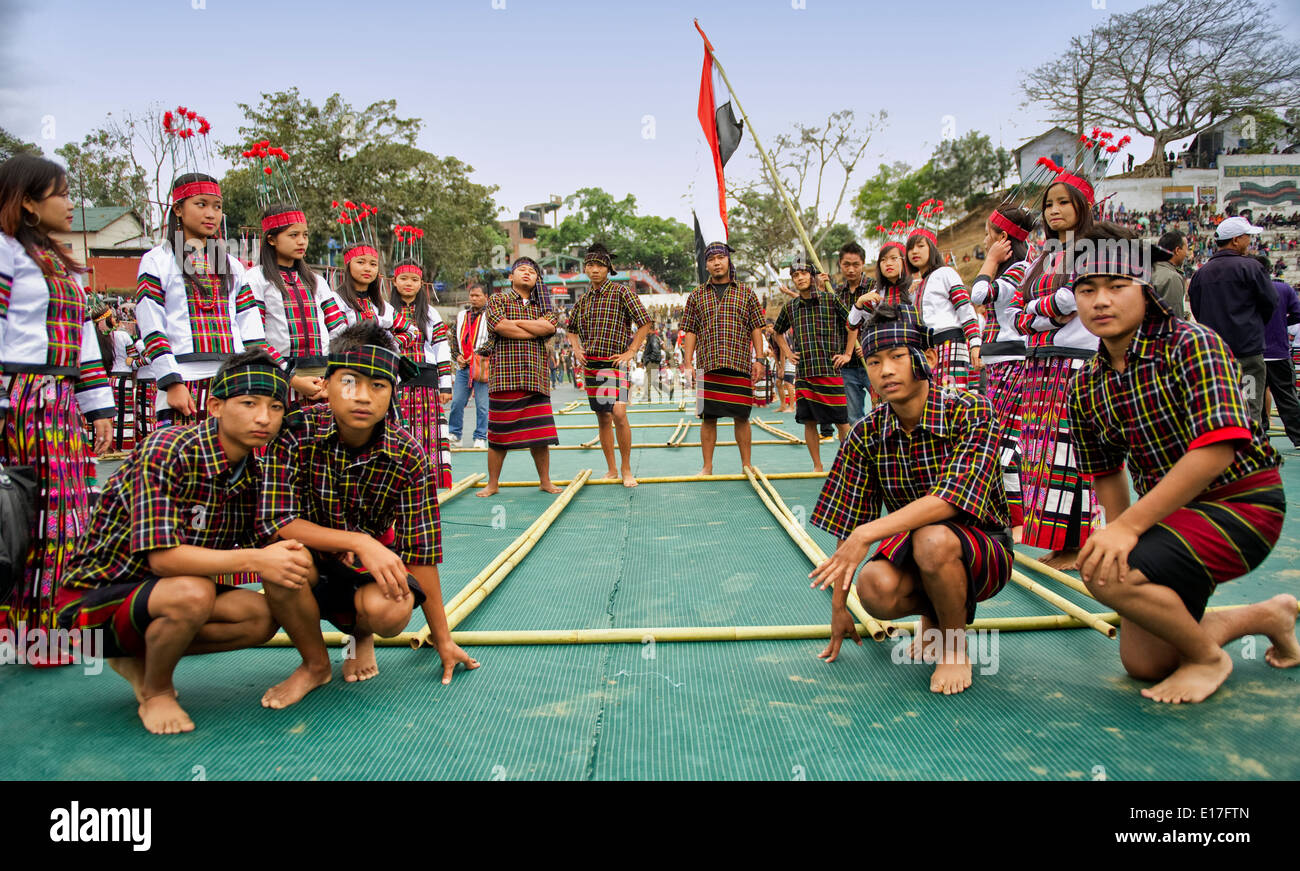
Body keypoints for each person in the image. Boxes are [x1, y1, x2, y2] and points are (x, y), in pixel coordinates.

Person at [1067, 240, 1297, 704]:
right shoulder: (1085, 383)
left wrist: (1129, 531)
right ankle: (1267, 615)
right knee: (1145, 663)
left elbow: (1216, 451)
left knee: (1106, 574)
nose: (1102, 300)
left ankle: (1209, 659)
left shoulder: (1193, 344)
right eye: (1087, 289)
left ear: (1146, 288)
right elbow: (1107, 472)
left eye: (1117, 286)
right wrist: (1117, 532)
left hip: (1242, 504)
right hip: (1170, 518)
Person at [55, 350, 307, 733]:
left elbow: (276, 533)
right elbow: (163, 561)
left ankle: (137, 655)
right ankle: (156, 691)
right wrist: (258, 559)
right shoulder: (168, 448)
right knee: (192, 593)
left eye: (275, 407)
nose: (264, 418)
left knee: (260, 617)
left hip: (164, 597)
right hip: (92, 601)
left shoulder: (257, 469)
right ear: (215, 406)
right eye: (249, 403)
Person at [256, 323, 479, 708]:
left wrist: (442, 639)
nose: (362, 396)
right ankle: (314, 664)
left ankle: (360, 634)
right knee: (281, 561)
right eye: (350, 381)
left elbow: (421, 553)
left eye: (378, 384)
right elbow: (278, 520)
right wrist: (357, 540)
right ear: (325, 384)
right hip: (308, 557)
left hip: (365, 568)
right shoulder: (294, 432)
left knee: (393, 608)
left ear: (393, 392)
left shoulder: (409, 456)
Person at [809, 305, 1012, 695]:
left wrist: (869, 533)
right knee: (873, 586)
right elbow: (847, 523)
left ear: (928, 358)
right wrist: (839, 609)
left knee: (933, 537)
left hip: (983, 552)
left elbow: (951, 499)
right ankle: (934, 616)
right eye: (873, 361)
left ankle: (954, 648)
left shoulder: (970, 411)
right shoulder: (867, 434)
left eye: (897, 357)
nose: (885, 370)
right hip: (917, 551)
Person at [0, 154, 115, 633]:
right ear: (27, 203)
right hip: (20, 397)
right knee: (26, 506)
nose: (71, 205)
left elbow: (84, 339)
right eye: (62, 194)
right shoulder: (5, 253)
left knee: (65, 508)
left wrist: (98, 407)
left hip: (59, 399)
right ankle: (22, 623)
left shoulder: (58, 262)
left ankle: (50, 619)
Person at [1010, 168, 1103, 569]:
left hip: (1076, 364)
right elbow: (1016, 313)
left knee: (1074, 450)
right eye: (1049, 204)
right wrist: (1037, 314)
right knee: (1042, 454)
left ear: (1083, 207)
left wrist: (1034, 313)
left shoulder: (1092, 250)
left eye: (1064, 202)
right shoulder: (1043, 256)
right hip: (1040, 364)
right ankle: (1063, 540)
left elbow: (1068, 303)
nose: (1055, 211)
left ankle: (1083, 542)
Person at [135, 173, 268, 428]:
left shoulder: (230, 264)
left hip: (231, 379)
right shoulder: (157, 260)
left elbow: (249, 325)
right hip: (182, 378)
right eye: (201, 204)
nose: (211, 214)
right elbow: (151, 324)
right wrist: (172, 382)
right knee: (182, 460)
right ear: (178, 209)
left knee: (232, 461)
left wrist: (256, 375)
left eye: (217, 207)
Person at [969, 206, 1035, 536]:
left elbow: (979, 294)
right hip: (1000, 359)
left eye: (988, 234)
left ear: (1003, 238)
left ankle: (1018, 520)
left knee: (1007, 438)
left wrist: (990, 261)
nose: (984, 240)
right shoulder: (1017, 269)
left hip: (1011, 359)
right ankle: (1012, 516)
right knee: (1002, 437)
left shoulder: (1020, 269)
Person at [566, 243, 650, 487]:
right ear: (585, 268)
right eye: (590, 265)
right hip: (592, 365)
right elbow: (571, 330)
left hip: (616, 363)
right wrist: (576, 347)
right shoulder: (583, 300)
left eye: (600, 265)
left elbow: (644, 322)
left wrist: (631, 351)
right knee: (603, 417)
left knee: (619, 414)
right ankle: (612, 469)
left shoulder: (622, 293)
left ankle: (626, 469)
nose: (594, 270)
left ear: (608, 268)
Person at [242, 203, 344, 405]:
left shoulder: (317, 281)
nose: (302, 241)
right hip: (278, 377)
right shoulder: (256, 278)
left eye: (305, 235)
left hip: (323, 378)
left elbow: (339, 329)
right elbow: (253, 338)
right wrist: (292, 379)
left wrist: (332, 375)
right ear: (271, 239)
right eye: (293, 235)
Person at [679, 241, 765, 475]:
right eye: (711, 259)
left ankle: (746, 465)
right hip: (708, 364)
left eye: (721, 258)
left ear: (729, 260)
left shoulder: (746, 292)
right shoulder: (696, 295)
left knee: (742, 417)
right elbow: (690, 330)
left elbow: (756, 327)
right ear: (706, 264)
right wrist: (688, 364)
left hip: (739, 363)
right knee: (708, 418)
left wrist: (759, 359)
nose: (716, 263)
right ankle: (707, 466)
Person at [478, 257, 561, 496]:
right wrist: (533, 330)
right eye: (521, 270)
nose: (527, 273)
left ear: (537, 279)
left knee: (540, 434)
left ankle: (545, 481)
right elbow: (499, 326)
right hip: (505, 375)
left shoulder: (544, 306)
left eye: (532, 271)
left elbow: (550, 327)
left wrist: (516, 323)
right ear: (511, 277)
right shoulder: (498, 299)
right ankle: (493, 484)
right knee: (498, 435)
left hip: (536, 377)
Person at [1188, 215, 1278, 423]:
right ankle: (1250, 450)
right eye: (1247, 236)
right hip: (1247, 350)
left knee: (1219, 407)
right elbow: (1270, 302)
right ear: (1236, 240)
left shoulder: (1201, 273)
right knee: (1250, 408)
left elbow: (1197, 310)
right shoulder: (1252, 267)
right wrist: (1253, 326)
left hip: (1214, 352)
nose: (1251, 241)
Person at [770, 255, 856, 471]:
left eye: (804, 273)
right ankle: (817, 466)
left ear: (812, 275)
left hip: (830, 371)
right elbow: (777, 332)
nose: (800, 278)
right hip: (805, 373)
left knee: (842, 421)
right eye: (795, 275)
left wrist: (847, 354)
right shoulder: (791, 307)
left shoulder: (831, 300)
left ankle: (849, 466)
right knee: (808, 421)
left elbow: (853, 324)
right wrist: (788, 352)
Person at [391, 255, 454, 489]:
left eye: (415, 279)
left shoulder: (431, 314)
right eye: (404, 278)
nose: (409, 283)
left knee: (427, 430)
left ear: (421, 284)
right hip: (396, 380)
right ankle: (401, 481)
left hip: (426, 379)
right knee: (400, 427)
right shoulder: (386, 312)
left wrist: (445, 385)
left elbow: (441, 348)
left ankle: (429, 479)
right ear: (394, 282)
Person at [905, 210, 982, 391]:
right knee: (934, 401)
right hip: (929, 349)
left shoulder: (945, 273)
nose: (914, 251)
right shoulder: (918, 285)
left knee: (951, 399)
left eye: (920, 246)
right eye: (910, 248)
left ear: (932, 249)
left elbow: (965, 308)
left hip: (950, 344)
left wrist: (975, 342)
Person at [1256, 255, 1300, 447]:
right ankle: (1298, 436)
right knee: (1287, 397)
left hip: (1254, 353)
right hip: (1279, 353)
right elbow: (1297, 314)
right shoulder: (1284, 288)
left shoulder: (1247, 290)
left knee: (1254, 399)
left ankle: (1260, 436)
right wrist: (1282, 322)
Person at [450, 284, 490, 448]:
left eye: (477, 295)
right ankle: (455, 434)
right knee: (457, 402)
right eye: (471, 295)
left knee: (482, 404)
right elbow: (453, 339)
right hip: (463, 366)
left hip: (482, 365)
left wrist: (479, 354)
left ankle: (480, 436)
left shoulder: (491, 316)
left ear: (486, 296)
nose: (473, 298)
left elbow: (494, 340)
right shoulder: (461, 316)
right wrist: (457, 356)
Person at [1152, 230, 1189, 317]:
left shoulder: (1151, 269)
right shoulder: (1172, 278)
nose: (1187, 254)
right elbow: (1173, 319)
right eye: (1186, 249)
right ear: (1177, 250)